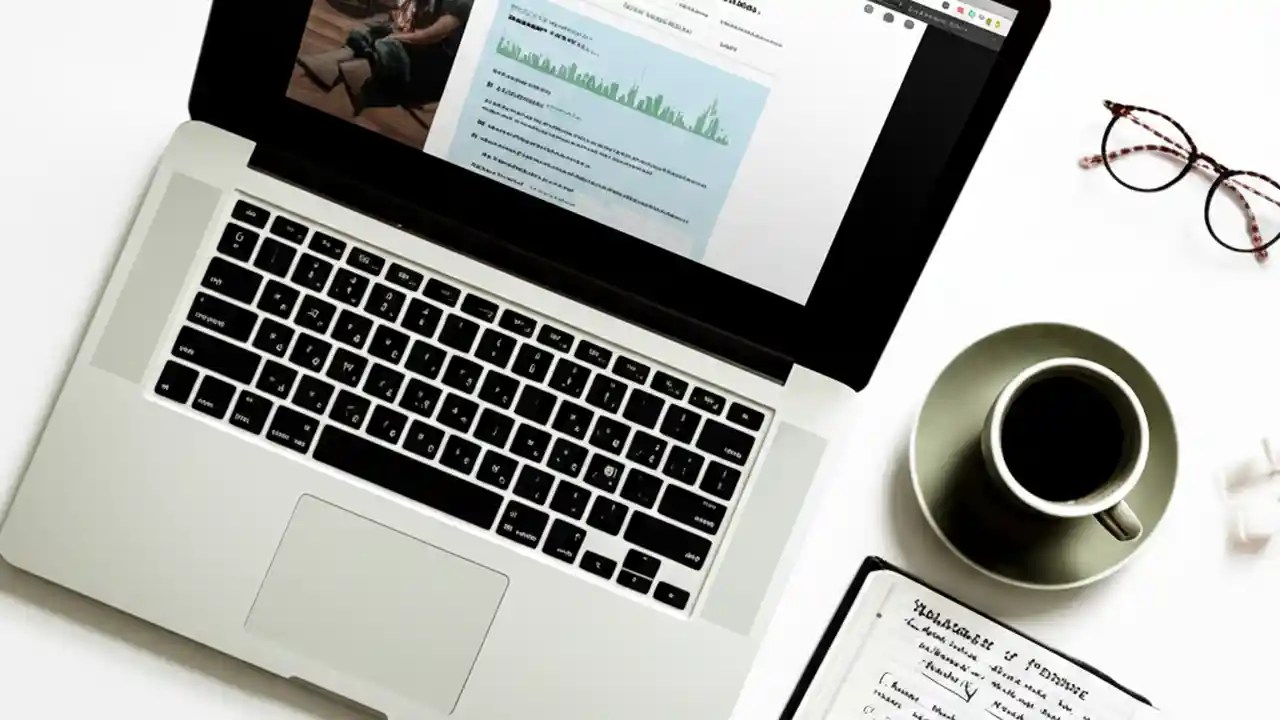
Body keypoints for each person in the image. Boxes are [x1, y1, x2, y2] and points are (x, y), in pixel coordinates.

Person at [299, 0, 473, 111]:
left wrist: (395, 35)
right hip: (428, 52)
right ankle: (343, 65)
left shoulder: (464, 4)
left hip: (437, 71)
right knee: (378, 31)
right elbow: (406, 20)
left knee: (388, 47)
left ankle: (352, 73)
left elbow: (429, 36)